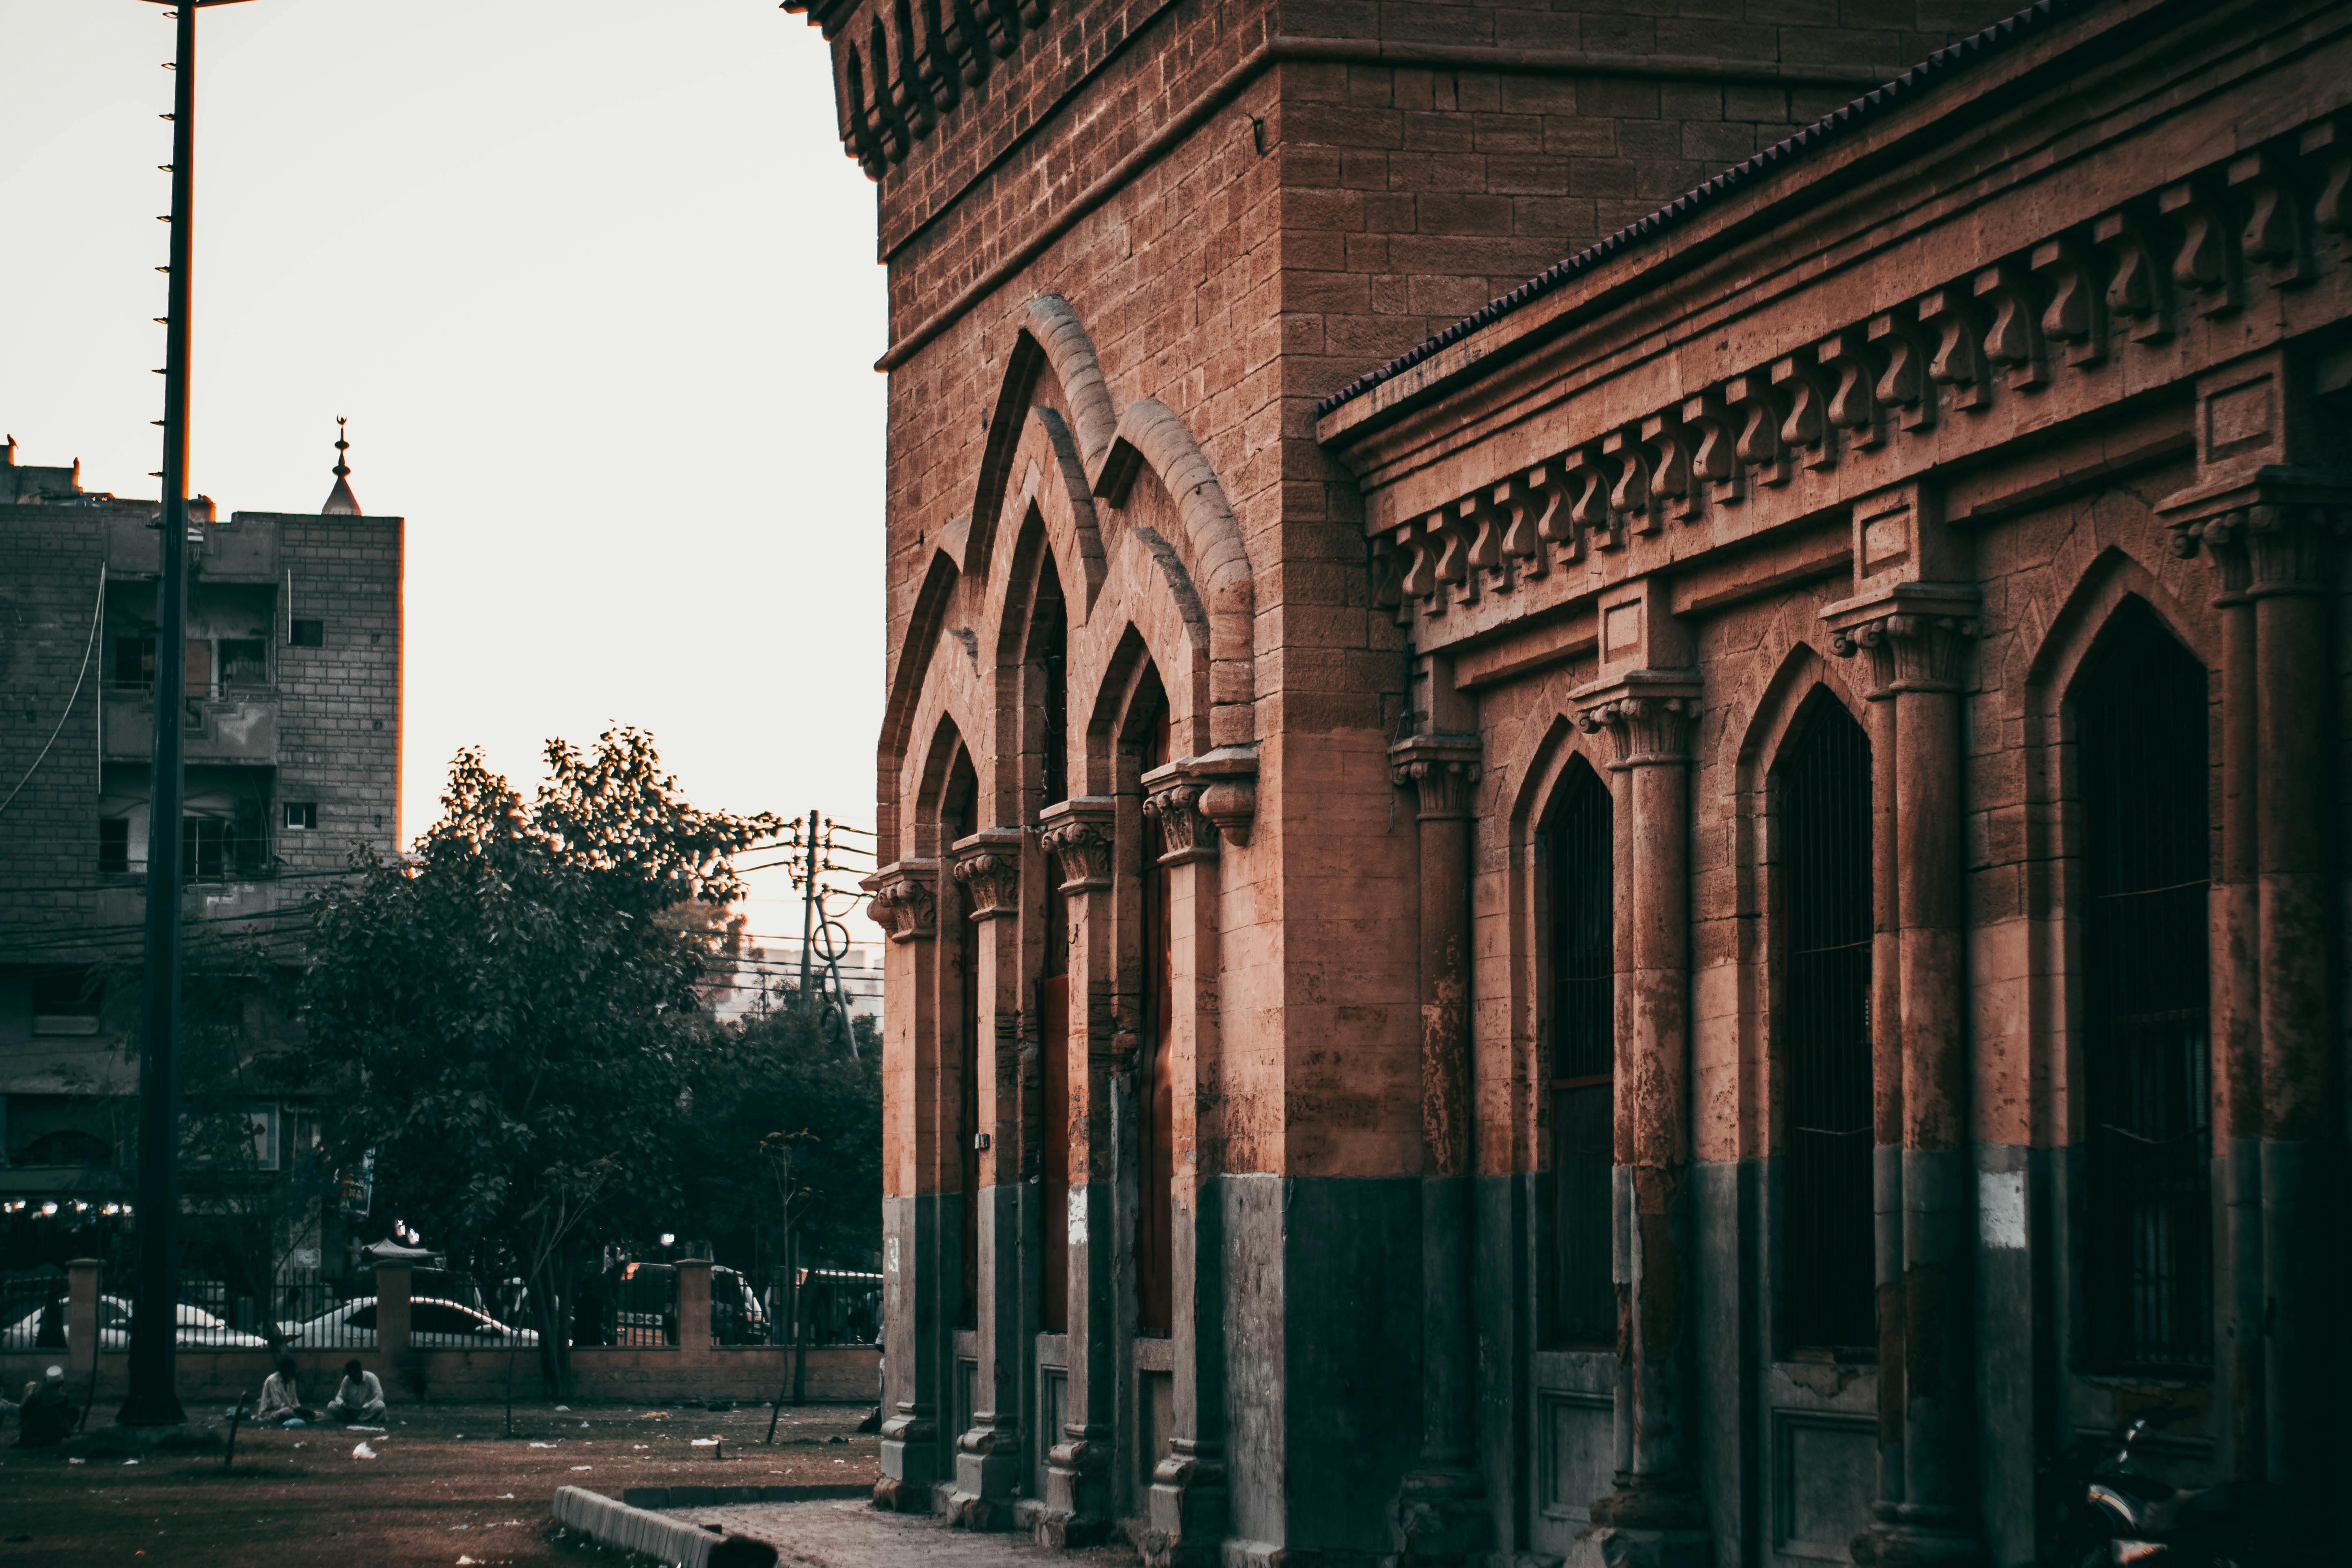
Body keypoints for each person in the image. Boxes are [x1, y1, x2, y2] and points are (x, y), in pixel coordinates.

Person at [17, 1365, 74, 1448]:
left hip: (28, 1437)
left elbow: (23, 1411)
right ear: (62, 1382)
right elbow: (71, 1413)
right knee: (72, 1411)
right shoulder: (62, 1398)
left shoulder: (34, 1392)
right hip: (49, 1439)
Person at [253, 1357, 317, 1426]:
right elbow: (278, 1405)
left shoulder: (291, 1380)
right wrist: (297, 1411)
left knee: (317, 1414)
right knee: (286, 1412)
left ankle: (301, 1418)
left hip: (289, 1410)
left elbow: (295, 1403)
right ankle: (300, 1418)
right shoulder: (272, 1381)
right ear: (286, 1371)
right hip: (270, 1413)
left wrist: (303, 1411)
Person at [324, 1359, 385, 1424]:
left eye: (354, 1376)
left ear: (360, 1372)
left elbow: (380, 1396)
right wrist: (343, 1405)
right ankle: (363, 1419)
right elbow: (339, 1397)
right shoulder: (347, 1379)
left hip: (366, 1410)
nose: (353, 1380)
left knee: (380, 1405)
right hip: (351, 1411)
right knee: (331, 1405)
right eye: (351, 1377)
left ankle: (355, 1419)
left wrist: (367, 1406)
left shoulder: (372, 1378)